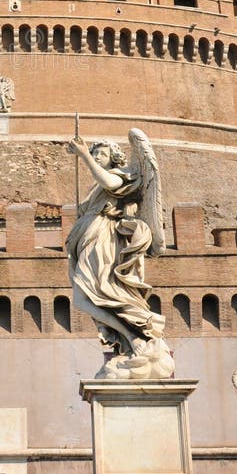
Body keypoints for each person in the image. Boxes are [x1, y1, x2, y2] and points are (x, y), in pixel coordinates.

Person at [65, 136, 166, 365]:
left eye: (101, 154)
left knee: (97, 293)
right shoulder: (96, 186)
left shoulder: (123, 175)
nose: (97, 157)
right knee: (83, 299)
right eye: (95, 153)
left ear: (113, 157)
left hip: (103, 239)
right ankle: (132, 338)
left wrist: (85, 157)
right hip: (89, 240)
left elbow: (110, 184)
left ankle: (137, 334)